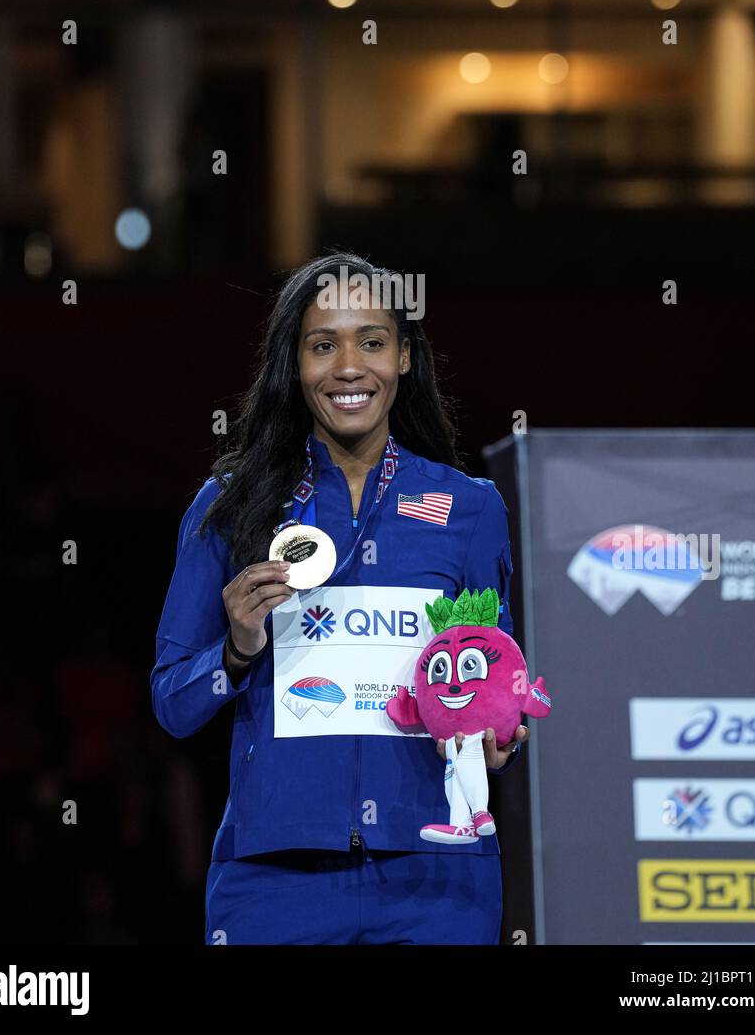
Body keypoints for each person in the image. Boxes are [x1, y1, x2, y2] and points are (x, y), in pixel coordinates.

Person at [151, 251, 532, 945]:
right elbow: (174, 704)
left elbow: (497, 684)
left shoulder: (467, 508)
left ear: (406, 359)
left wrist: (498, 733)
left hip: (438, 879)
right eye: (323, 344)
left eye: (374, 342)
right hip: (275, 882)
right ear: (293, 365)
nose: (349, 366)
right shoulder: (232, 506)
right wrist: (236, 651)